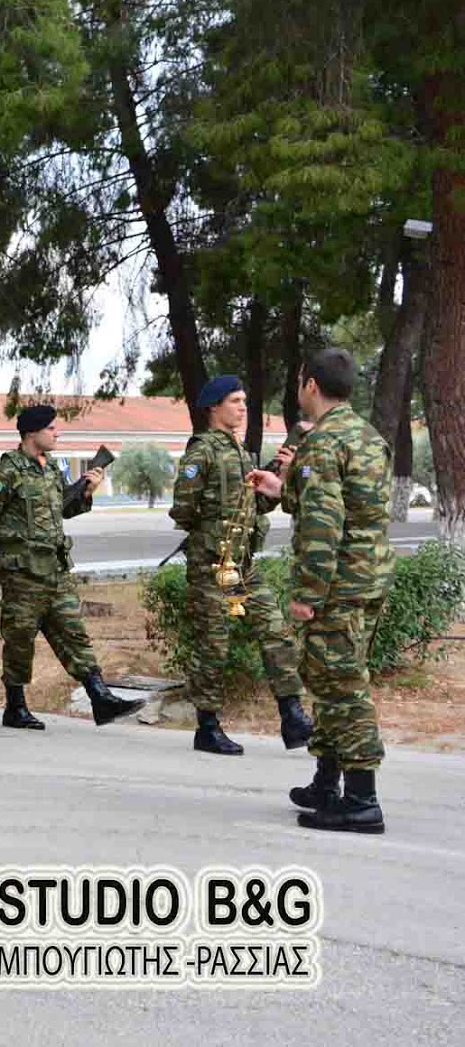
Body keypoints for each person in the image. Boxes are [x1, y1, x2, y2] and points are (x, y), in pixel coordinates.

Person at [250, 348, 394, 834]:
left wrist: (307, 593)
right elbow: (356, 507)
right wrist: (281, 488)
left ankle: (361, 799)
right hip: (369, 579)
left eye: (298, 383)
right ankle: (325, 783)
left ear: (310, 385)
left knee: (344, 687)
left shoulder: (324, 442)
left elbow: (323, 525)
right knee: (334, 681)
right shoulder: (368, 437)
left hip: (337, 586)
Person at [171, 375, 312, 755]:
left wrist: (279, 476)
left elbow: (256, 506)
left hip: (241, 567)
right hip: (213, 566)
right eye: (235, 400)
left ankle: (292, 715)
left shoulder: (240, 451)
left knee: (275, 631)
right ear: (214, 407)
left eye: (245, 400)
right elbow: (183, 509)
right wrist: (213, 530)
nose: (242, 407)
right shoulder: (202, 451)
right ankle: (208, 726)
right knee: (213, 645)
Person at [0, 405, 141, 729]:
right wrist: (4, 560)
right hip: (22, 573)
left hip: (55, 570)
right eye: (52, 428)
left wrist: (85, 492)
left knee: (74, 631)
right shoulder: (6, 473)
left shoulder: (52, 470)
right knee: (20, 638)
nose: (58, 433)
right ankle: (15, 706)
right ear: (32, 433)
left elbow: (62, 513)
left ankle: (101, 698)